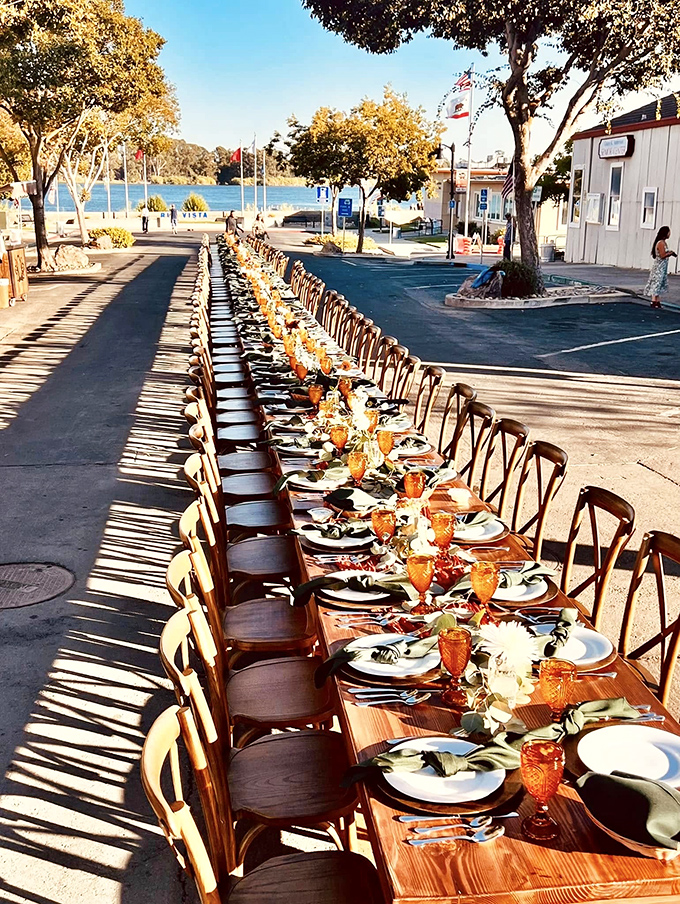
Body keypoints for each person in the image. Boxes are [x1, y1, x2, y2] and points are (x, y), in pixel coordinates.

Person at [644, 225, 676, 309]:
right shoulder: (661, 243)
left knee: (659, 283)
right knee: (656, 283)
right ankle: (654, 301)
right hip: (659, 267)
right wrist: (670, 253)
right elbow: (662, 255)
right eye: (669, 232)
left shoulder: (663, 242)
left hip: (662, 267)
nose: (669, 234)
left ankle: (657, 301)